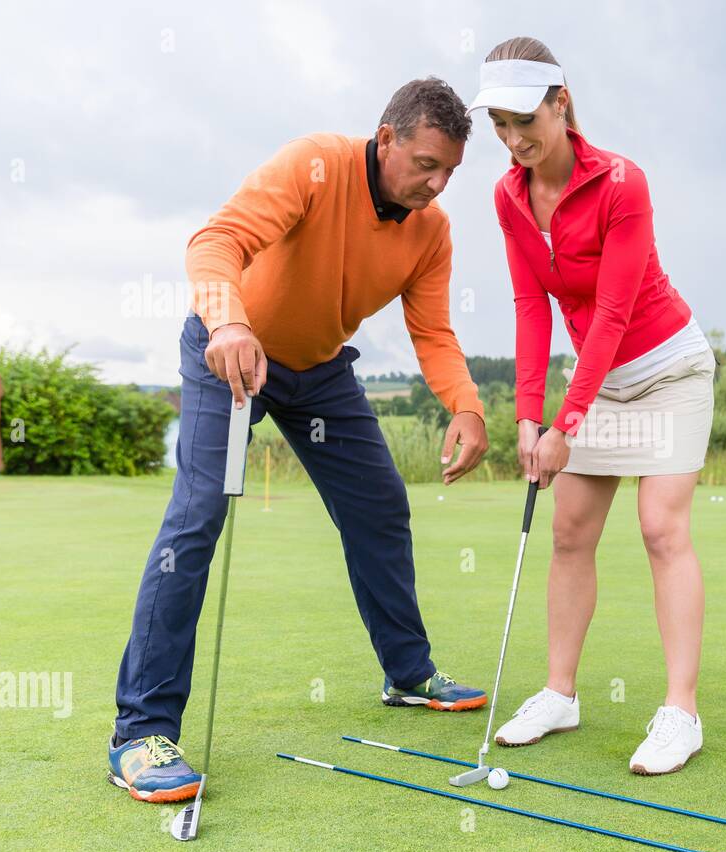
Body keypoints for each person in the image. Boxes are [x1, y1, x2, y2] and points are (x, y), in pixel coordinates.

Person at [108, 78, 490, 804]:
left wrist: (466, 407)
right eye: (426, 165)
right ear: (387, 140)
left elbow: (433, 332)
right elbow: (217, 241)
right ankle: (140, 732)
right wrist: (228, 322)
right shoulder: (315, 163)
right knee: (196, 519)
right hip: (233, 351)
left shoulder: (431, 230)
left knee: (381, 504)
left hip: (317, 372)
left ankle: (408, 674)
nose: (437, 185)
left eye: (450, 173)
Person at [467, 38, 716, 775]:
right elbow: (529, 306)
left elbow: (610, 313)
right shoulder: (509, 194)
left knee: (661, 529)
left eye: (525, 120)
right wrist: (527, 417)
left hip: (667, 368)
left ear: (561, 102)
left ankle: (681, 714)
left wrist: (566, 423)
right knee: (570, 532)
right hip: (598, 379)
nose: (514, 140)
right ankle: (560, 693)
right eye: (499, 125)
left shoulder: (621, 182)